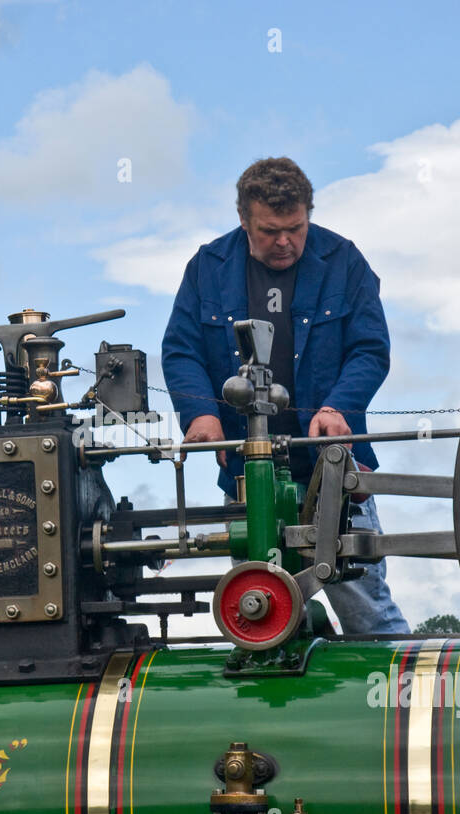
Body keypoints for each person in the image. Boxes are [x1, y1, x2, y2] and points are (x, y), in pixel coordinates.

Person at [161, 156, 408, 634]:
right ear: (243, 220)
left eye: (295, 228)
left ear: (308, 214)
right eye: (270, 230)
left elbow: (370, 350)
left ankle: (400, 700)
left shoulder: (345, 262)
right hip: (245, 481)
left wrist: (339, 407)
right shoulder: (206, 268)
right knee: (262, 615)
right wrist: (199, 415)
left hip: (334, 469)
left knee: (369, 614)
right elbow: (181, 351)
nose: (284, 241)